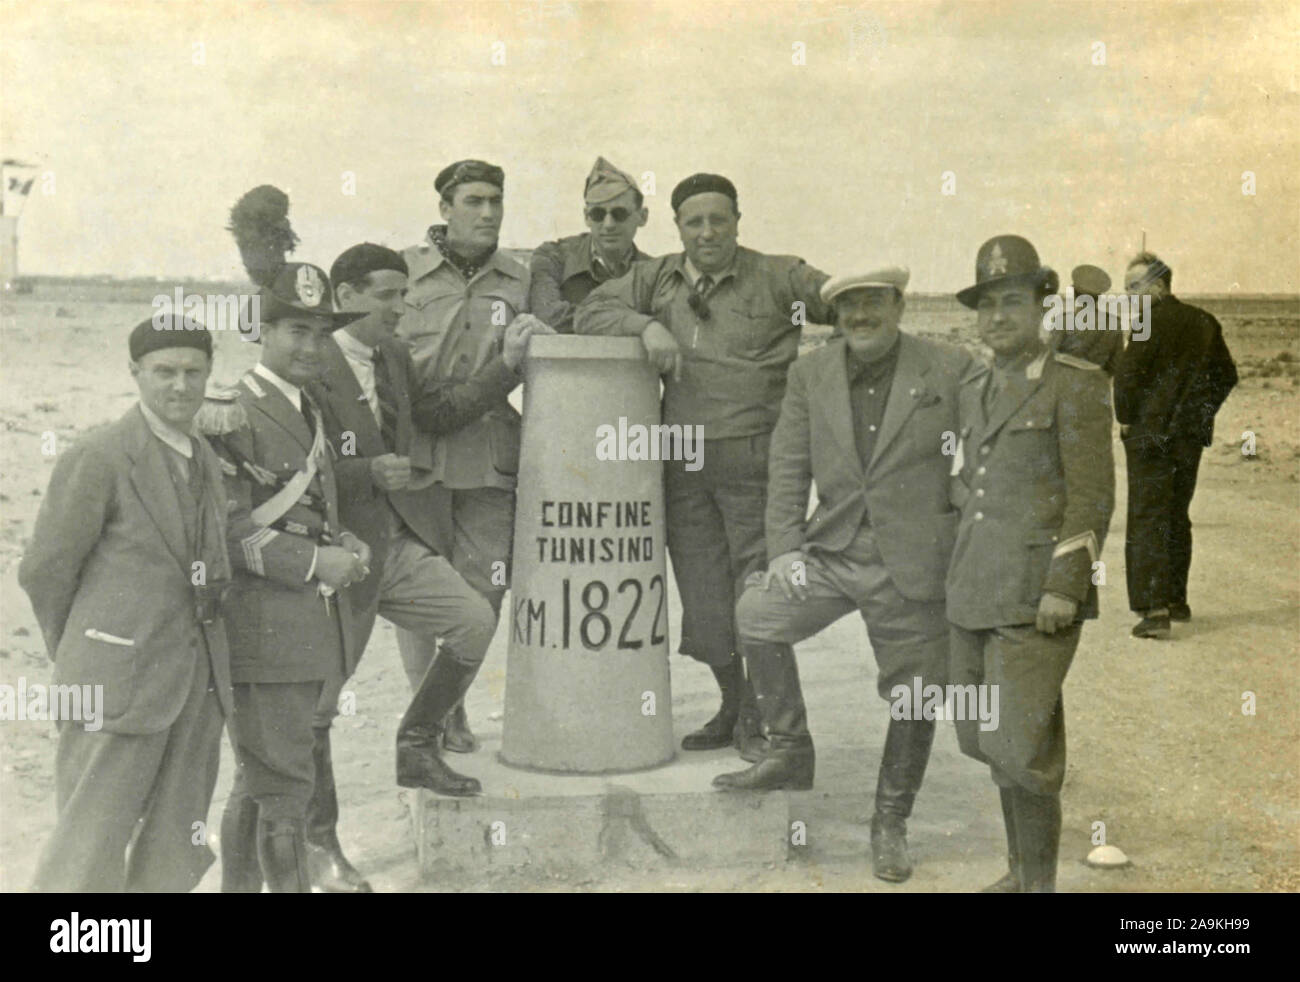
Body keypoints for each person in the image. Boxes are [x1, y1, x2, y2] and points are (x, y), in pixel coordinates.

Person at [712, 267, 973, 883]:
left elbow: (987, 439)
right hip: (832, 551)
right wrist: (784, 551)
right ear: (835, 315)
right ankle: (789, 751)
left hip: (912, 559)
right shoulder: (809, 374)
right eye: (849, 305)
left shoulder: (950, 367)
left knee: (916, 691)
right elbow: (788, 465)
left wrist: (965, 489)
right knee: (757, 614)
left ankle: (889, 823)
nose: (861, 315)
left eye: (874, 302)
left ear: (900, 305)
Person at [303, 244, 548, 890]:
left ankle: (417, 745)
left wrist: (508, 366)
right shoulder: (306, 361)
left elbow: (441, 413)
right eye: (387, 295)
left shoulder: (390, 357)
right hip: (325, 556)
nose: (402, 306)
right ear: (346, 295)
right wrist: (363, 471)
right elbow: (279, 460)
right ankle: (319, 843)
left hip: (391, 541)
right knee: (315, 705)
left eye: (404, 293)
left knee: (472, 620)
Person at [576, 173, 834, 761]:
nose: (708, 231)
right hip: (683, 458)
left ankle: (766, 721)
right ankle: (734, 705)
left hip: (755, 458)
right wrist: (645, 324)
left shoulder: (778, 276)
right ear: (677, 227)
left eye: (719, 219)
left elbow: (845, 305)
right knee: (704, 596)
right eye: (694, 221)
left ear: (738, 220)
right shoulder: (657, 276)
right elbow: (591, 310)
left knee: (757, 593)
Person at [20, 314, 232, 892]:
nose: (181, 386)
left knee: (172, 845)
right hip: (112, 684)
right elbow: (46, 570)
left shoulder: (202, 455)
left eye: (194, 372)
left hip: (191, 684)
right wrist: (87, 652)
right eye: (164, 372)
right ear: (135, 373)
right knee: (88, 846)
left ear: (210, 373)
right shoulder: (101, 455)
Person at [946, 235, 1115, 893]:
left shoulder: (1075, 385)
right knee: (982, 739)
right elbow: (972, 484)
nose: (997, 319)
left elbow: (1093, 496)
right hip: (973, 591)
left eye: (1011, 302)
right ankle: (1018, 874)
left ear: (1044, 304)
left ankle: (1037, 885)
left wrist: (1066, 585)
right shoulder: (977, 385)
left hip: (1036, 597)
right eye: (986, 306)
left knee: (1022, 746)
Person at [204, 261, 371, 892]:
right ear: (263, 332)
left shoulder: (306, 405)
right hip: (264, 625)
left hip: (304, 625)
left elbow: (308, 510)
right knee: (285, 785)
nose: (308, 346)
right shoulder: (232, 411)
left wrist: (341, 541)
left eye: (319, 333)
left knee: (264, 774)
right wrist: (311, 563)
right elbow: (227, 533)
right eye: (295, 331)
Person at [396, 159, 551, 750]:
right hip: (416, 450)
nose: (488, 213)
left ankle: (448, 699)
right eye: (474, 202)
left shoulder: (520, 278)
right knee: (418, 590)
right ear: (444, 208)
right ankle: (432, 717)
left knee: (486, 584)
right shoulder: (406, 272)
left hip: (488, 451)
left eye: (496, 202)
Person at [1113, 252, 1237, 638]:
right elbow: (1226, 375)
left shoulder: (1147, 322)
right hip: (1187, 438)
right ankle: (1177, 601)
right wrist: (1198, 416)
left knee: (1148, 517)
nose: (1128, 295)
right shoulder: (1204, 322)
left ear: (1157, 286)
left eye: (1133, 287)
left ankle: (1154, 612)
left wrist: (1129, 420)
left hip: (1150, 436)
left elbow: (1127, 376)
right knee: (1176, 514)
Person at [528, 156, 651, 332]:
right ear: (586, 217)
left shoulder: (654, 272)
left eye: (620, 214)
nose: (608, 224)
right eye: (598, 214)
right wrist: (635, 323)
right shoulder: (554, 258)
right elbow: (549, 315)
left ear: (642, 217)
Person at [1053, 264, 1123, 374]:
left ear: (1075, 294)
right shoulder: (1114, 323)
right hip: (1097, 386)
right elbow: (1116, 365)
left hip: (1066, 386)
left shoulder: (1062, 321)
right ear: (1099, 297)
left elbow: (1050, 359)